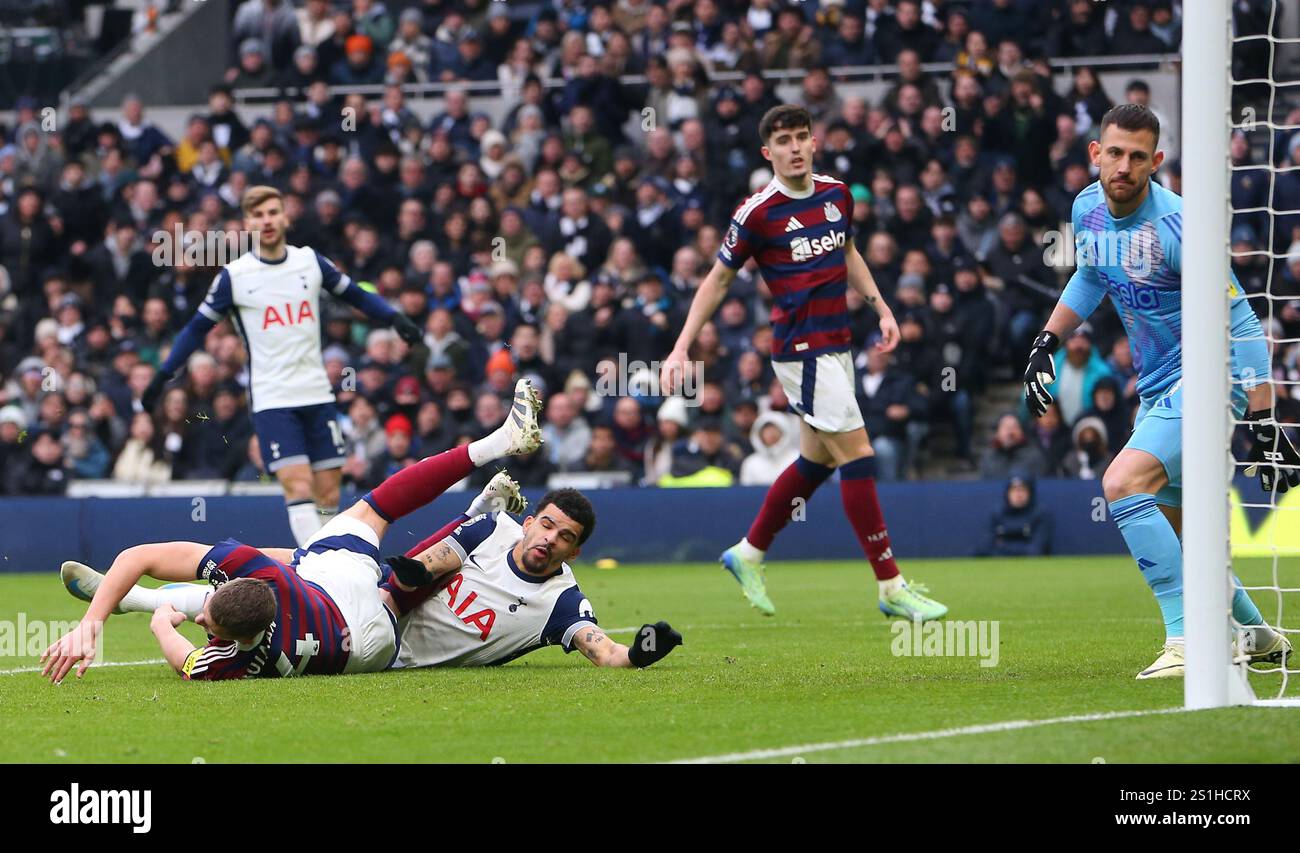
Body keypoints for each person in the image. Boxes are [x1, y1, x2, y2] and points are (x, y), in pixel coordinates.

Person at [43, 381, 682, 682]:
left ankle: (142, 600)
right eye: (545, 525)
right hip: (369, 630)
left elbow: (600, 648)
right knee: (338, 542)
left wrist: (635, 653)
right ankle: (141, 599)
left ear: (575, 552)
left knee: (358, 529)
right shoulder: (497, 533)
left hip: (372, 620)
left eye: (562, 538)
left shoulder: (565, 602)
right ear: (534, 519)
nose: (547, 540)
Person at [1022, 104, 1295, 679]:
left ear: (1156, 162)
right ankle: (1257, 635)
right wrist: (1047, 340)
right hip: (1158, 386)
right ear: (1094, 153)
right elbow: (1092, 275)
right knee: (1176, 528)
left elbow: (1241, 322)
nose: (1124, 166)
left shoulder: (1178, 227)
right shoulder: (1086, 209)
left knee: (1122, 483)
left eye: (1137, 156)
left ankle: (1187, 640)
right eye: (1114, 152)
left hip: (1211, 374)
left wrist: (1265, 421)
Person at [661, 104, 947, 621]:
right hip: (800, 352)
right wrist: (682, 345)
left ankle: (747, 553)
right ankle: (890, 585)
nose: (795, 148)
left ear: (814, 142)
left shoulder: (837, 195)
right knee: (859, 457)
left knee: (817, 463)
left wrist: (881, 306)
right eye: (784, 141)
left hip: (838, 346)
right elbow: (719, 280)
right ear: (767, 153)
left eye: (802, 137)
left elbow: (849, 254)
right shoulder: (757, 212)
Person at [141, 186, 423, 546]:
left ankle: (326, 560)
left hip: (317, 393)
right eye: (258, 215)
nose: (267, 220)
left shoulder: (309, 262)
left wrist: (395, 318)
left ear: (285, 216)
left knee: (328, 492)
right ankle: (319, 570)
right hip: (273, 399)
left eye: (273, 212)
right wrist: (163, 376)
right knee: (299, 485)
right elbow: (198, 328)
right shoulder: (235, 276)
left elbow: (354, 293)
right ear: (247, 223)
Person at [974, 474, 1052, 558]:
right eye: (1014, 490)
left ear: (1030, 493)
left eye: (1022, 490)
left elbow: (1036, 550)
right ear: (1007, 493)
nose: (1018, 495)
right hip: (998, 565)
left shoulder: (1041, 514)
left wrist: (1001, 547)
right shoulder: (995, 514)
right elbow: (984, 548)